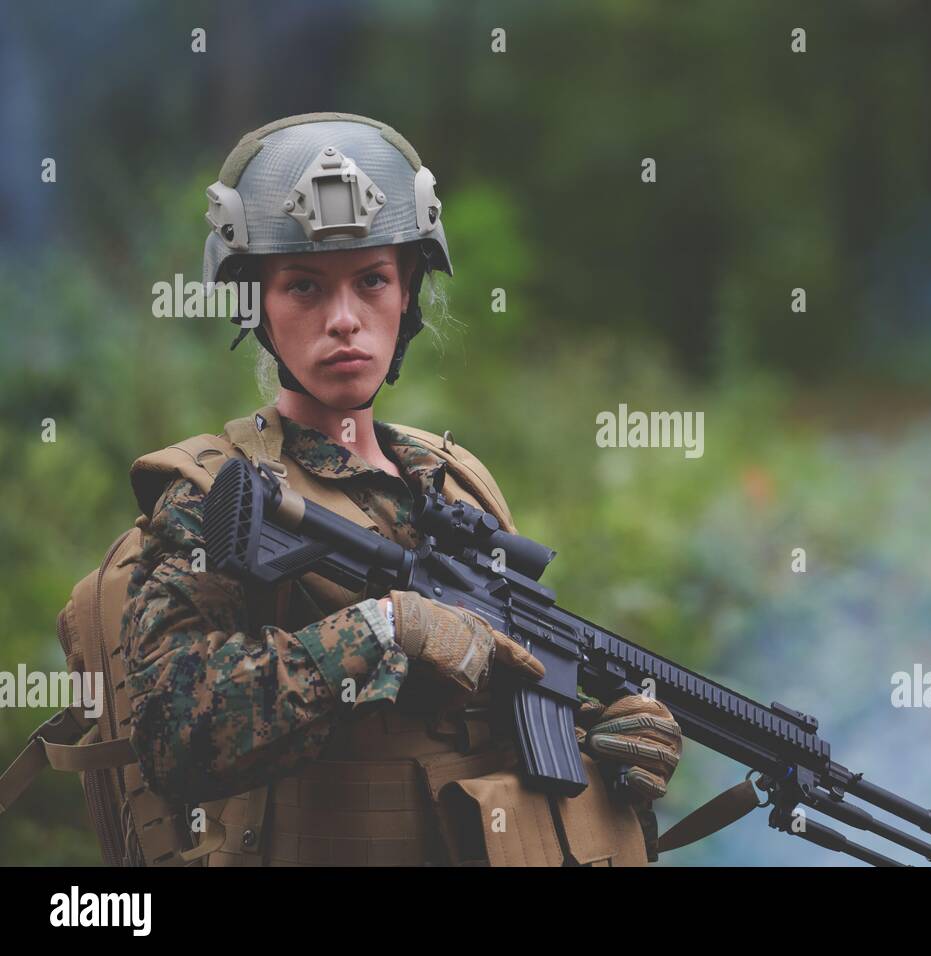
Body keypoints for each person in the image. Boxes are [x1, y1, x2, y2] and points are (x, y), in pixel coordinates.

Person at [122, 112, 682, 866]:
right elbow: (173, 736)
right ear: (255, 303)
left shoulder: (453, 481)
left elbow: (483, 726)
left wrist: (606, 737)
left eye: (372, 281)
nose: (344, 320)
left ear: (409, 292)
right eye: (304, 287)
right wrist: (387, 631)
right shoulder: (216, 493)